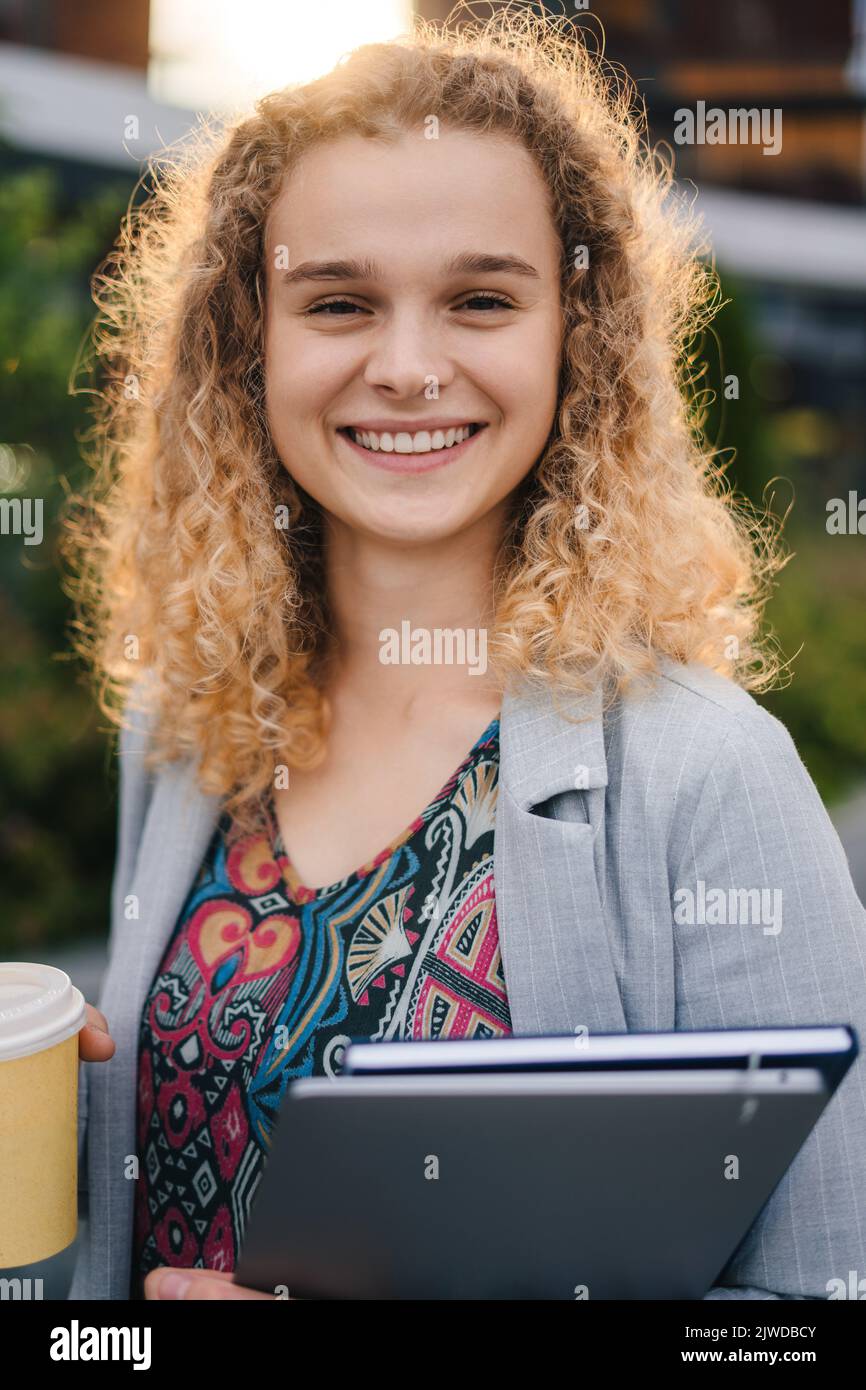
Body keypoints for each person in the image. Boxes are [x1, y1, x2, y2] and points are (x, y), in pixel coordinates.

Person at [63, 11, 866, 1301]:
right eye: (338, 302)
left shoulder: (714, 780)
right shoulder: (187, 720)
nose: (409, 367)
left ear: (576, 337)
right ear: (247, 342)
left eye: (481, 300)